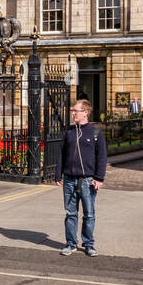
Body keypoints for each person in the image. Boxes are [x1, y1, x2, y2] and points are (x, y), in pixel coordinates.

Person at [54, 99, 106, 256]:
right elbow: (62, 154)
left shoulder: (96, 133)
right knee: (70, 213)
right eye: (72, 111)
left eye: (75, 111)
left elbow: (101, 157)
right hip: (69, 179)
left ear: (85, 112)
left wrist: (99, 178)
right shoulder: (68, 131)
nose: (73, 113)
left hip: (88, 180)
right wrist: (58, 173)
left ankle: (89, 244)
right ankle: (71, 244)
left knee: (89, 214)